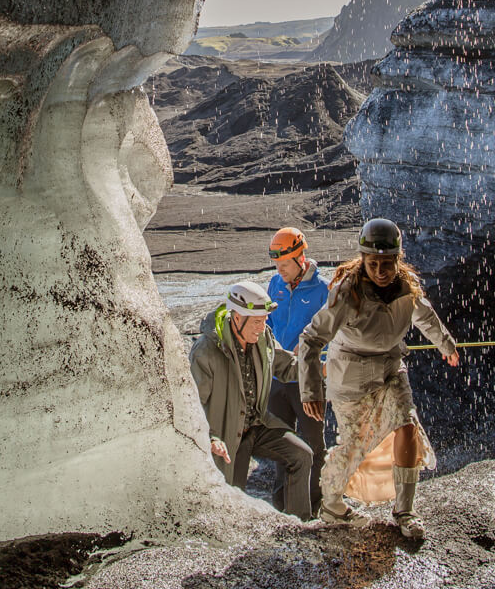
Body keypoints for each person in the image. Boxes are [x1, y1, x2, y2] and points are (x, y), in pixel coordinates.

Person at [296, 217, 459, 538]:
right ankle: (331, 504)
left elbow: (424, 314)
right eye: (373, 264)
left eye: (387, 263)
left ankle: (405, 511)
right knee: (355, 444)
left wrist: (446, 344)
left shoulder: (405, 288)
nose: (381, 271)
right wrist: (311, 390)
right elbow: (311, 339)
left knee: (407, 427)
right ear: (363, 260)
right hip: (351, 377)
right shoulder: (347, 294)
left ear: (397, 260)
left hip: (390, 369)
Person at [189, 279, 315, 520]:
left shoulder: (263, 338)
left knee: (301, 455)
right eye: (257, 321)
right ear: (237, 318)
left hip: (258, 425)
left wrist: (320, 370)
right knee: (231, 504)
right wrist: (211, 438)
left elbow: (287, 366)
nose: (262, 327)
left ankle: (299, 525)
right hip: (226, 435)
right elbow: (193, 404)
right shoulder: (206, 351)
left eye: (264, 321)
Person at [264, 226, 329, 516]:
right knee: (281, 441)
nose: (280, 271)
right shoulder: (274, 286)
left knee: (314, 443)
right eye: (277, 265)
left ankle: (315, 503)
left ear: (301, 258)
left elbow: (336, 329)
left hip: (308, 380)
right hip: (277, 378)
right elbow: (266, 326)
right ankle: (283, 505)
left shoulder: (324, 290)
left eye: (285, 265)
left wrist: (315, 349)